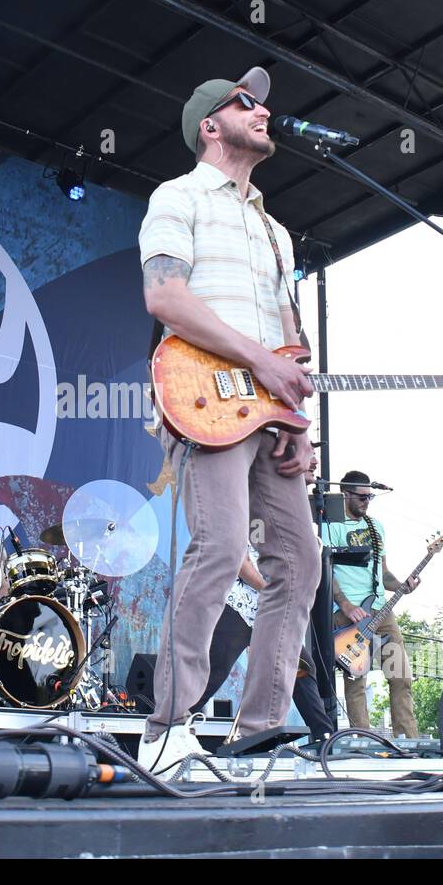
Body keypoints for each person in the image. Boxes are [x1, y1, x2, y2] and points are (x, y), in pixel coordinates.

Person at [137, 65, 320, 773]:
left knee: (299, 561)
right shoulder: (177, 196)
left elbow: (290, 344)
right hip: (204, 400)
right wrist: (260, 363)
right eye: (247, 102)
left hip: (271, 412)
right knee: (217, 549)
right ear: (210, 124)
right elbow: (165, 298)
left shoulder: (277, 232)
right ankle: (168, 727)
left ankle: (259, 726)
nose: (264, 110)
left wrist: (299, 424)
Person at [193, 545, 335, 742]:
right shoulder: (246, 517)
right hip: (238, 605)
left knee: (300, 669)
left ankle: (324, 736)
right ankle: (172, 727)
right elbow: (241, 564)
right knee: (214, 670)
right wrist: (271, 590)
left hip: (273, 613)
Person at [326, 471, 420, 738]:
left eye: (371, 496)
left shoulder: (375, 526)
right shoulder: (330, 525)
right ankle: (362, 738)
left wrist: (403, 583)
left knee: (400, 675)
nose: (367, 501)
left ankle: (409, 739)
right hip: (349, 614)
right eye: (362, 496)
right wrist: (344, 605)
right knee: (356, 680)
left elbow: (384, 573)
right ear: (345, 495)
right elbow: (326, 572)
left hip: (382, 611)